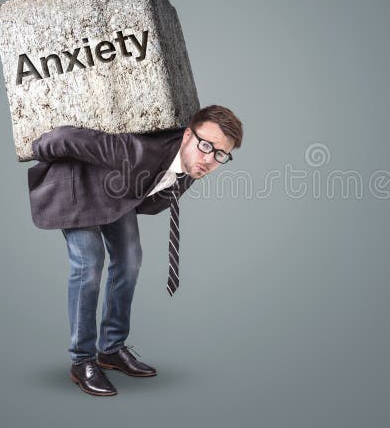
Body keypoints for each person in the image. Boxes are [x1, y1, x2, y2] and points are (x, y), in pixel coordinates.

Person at [28, 105, 243, 396]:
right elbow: (67, 136)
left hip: (117, 191)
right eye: (205, 145)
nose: (209, 158)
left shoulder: (193, 167)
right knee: (89, 263)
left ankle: (111, 349)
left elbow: (151, 197)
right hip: (78, 185)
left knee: (130, 259)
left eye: (220, 154)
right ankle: (82, 360)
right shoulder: (138, 150)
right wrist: (38, 147)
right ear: (188, 135)